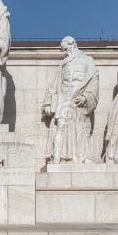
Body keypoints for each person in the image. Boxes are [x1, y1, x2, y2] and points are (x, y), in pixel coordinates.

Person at [41, 36, 99, 164]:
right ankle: (59, 157)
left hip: (80, 96)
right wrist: (48, 103)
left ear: (72, 44)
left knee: (80, 127)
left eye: (65, 49)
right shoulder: (62, 64)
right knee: (60, 126)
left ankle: (82, 157)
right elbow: (55, 85)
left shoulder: (87, 60)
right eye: (63, 50)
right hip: (64, 96)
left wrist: (87, 96)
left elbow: (94, 79)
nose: (64, 52)